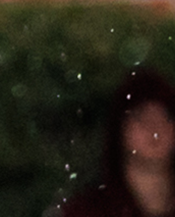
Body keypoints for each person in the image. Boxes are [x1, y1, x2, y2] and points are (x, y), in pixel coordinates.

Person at [58, 68, 175, 217]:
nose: (155, 128)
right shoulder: (88, 211)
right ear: (120, 128)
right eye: (141, 117)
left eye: (166, 117)